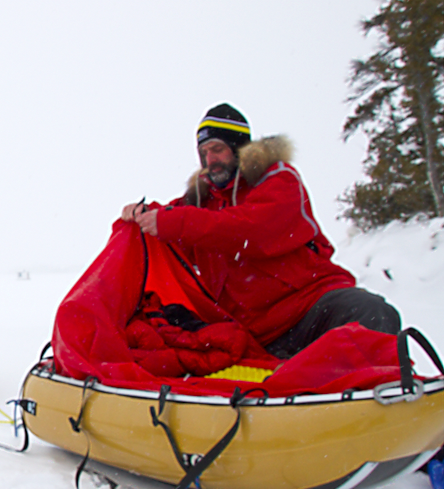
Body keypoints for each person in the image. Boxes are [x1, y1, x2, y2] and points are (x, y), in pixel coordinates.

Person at [121, 103, 400, 359]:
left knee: (368, 310)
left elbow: (252, 230)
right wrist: (142, 215)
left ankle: (372, 392)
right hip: (255, 336)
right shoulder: (199, 201)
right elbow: (168, 232)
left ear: (238, 146)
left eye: (216, 149)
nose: (209, 159)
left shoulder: (279, 180)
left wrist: (173, 221)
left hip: (309, 309)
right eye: (203, 152)